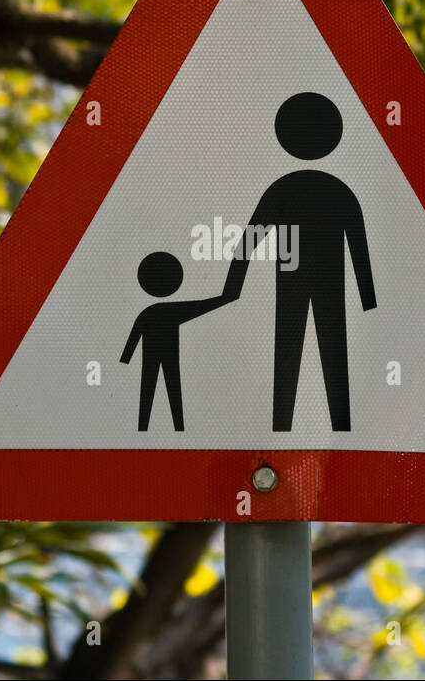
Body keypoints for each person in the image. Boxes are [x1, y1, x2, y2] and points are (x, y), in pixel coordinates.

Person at [222, 92, 375, 431]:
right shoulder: (339, 191)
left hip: (292, 283)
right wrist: (368, 299)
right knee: (331, 354)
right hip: (325, 286)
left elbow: (248, 242)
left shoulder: (284, 189)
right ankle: (336, 427)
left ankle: (283, 427)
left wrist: (232, 288)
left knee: (290, 353)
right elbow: (359, 247)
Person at [120, 251, 227, 431]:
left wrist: (126, 358)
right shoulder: (161, 311)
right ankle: (169, 427)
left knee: (162, 387)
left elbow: (135, 332)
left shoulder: (151, 311)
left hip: (162, 354)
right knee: (163, 387)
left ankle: (160, 427)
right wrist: (126, 357)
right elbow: (199, 306)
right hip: (161, 355)